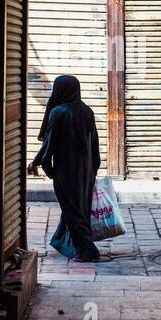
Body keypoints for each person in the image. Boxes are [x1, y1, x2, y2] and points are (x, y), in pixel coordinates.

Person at [29, 75, 101, 261]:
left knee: (72, 211)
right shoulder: (87, 111)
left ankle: (88, 251)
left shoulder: (58, 112)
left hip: (65, 171)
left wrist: (47, 169)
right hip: (85, 171)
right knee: (79, 209)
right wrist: (93, 170)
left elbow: (50, 145)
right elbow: (94, 144)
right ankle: (68, 244)